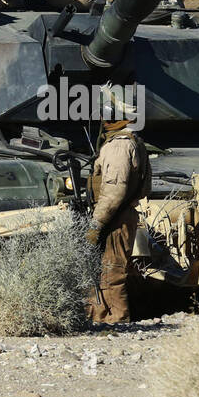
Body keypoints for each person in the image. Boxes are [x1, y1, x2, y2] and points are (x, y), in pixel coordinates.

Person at [85, 119, 152, 325]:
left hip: (114, 217)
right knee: (108, 270)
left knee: (111, 272)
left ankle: (116, 321)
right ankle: (100, 317)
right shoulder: (134, 142)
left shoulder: (118, 146)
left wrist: (96, 224)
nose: (103, 123)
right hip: (121, 215)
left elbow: (114, 193)